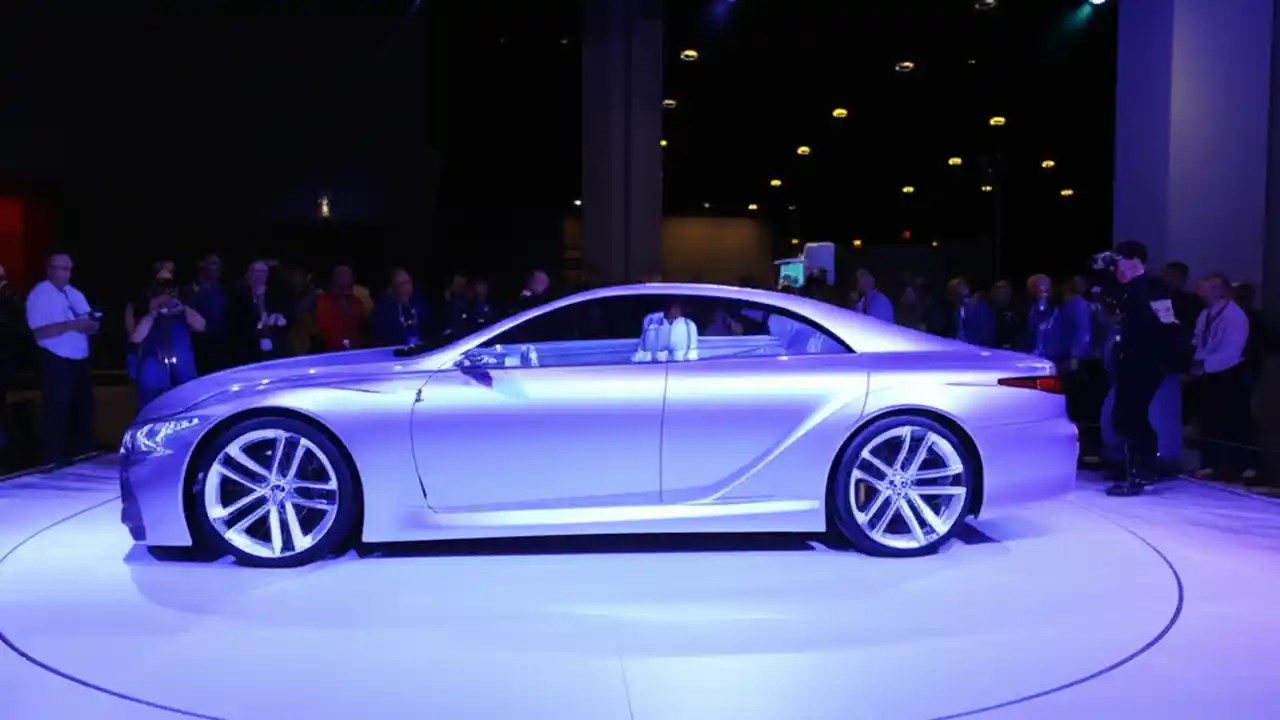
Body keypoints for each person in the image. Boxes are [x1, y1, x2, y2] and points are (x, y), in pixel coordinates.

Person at [1105, 241, 1182, 497]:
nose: (1117, 267)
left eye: (1120, 261)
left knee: (1131, 415)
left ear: (1135, 260)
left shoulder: (1153, 286)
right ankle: (1139, 468)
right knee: (1127, 415)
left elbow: (1165, 323)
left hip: (1145, 361)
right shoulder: (1126, 289)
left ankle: (1140, 470)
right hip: (1130, 361)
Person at [25, 252, 99, 466]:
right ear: (50, 269)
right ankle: (53, 456)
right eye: (62, 268)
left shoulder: (74, 293)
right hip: (55, 358)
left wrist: (92, 324)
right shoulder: (39, 295)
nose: (67, 273)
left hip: (79, 359)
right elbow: (39, 332)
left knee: (84, 406)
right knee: (58, 406)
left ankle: (83, 451)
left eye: (69, 269)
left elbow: (90, 322)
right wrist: (71, 325)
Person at [1189, 273, 1251, 481]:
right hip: (1206, 373)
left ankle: (1231, 466)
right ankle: (1211, 463)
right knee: (1209, 420)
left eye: (1205, 288)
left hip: (1227, 374)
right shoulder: (1205, 313)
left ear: (1219, 290)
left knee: (1228, 422)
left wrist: (1204, 364)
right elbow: (1198, 340)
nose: (1200, 292)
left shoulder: (1234, 316)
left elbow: (1231, 350)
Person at [126, 268, 205, 410]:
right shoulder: (139, 307)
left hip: (183, 371)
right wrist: (153, 312)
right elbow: (136, 337)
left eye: (169, 285)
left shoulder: (183, 306)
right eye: (161, 284)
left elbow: (201, 325)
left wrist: (182, 308)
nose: (165, 290)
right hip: (153, 370)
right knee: (152, 409)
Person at [226, 260, 288, 366]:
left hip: (276, 353)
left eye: (264, 272)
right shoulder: (239, 298)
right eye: (257, 272)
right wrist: (257, 326)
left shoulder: (277, 295)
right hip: (250, 353)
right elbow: (236, 326)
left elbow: (288, 316)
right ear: (249, 275)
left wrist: (278, 319)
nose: (261, 276)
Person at [187, 253, 228, 374]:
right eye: (214, 264)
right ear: (203, 265)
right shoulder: (191, 290)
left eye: (219, 264)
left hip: (223, 344)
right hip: (202, 347)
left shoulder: (225, 288)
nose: (218, 267)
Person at [373, 267, 430, 347]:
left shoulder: (418, 301)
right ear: (391, 288)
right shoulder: (383, 309)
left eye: (408, 283)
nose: (406, 288)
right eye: (401, 284)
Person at [315, 265, 367, 351]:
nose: (343, 279)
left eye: (346, 275)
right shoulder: (321, 301)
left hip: (355, 351)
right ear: (332, 278)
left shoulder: (357, 302)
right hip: (328, 352)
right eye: (339, 275)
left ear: (353, 279)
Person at [942, 277, 996, 347]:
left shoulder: (980, 311)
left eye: (966, 296)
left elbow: (987, 338)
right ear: (949, 296)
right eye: (957, 296)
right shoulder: (944, 313)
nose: (963, 301)